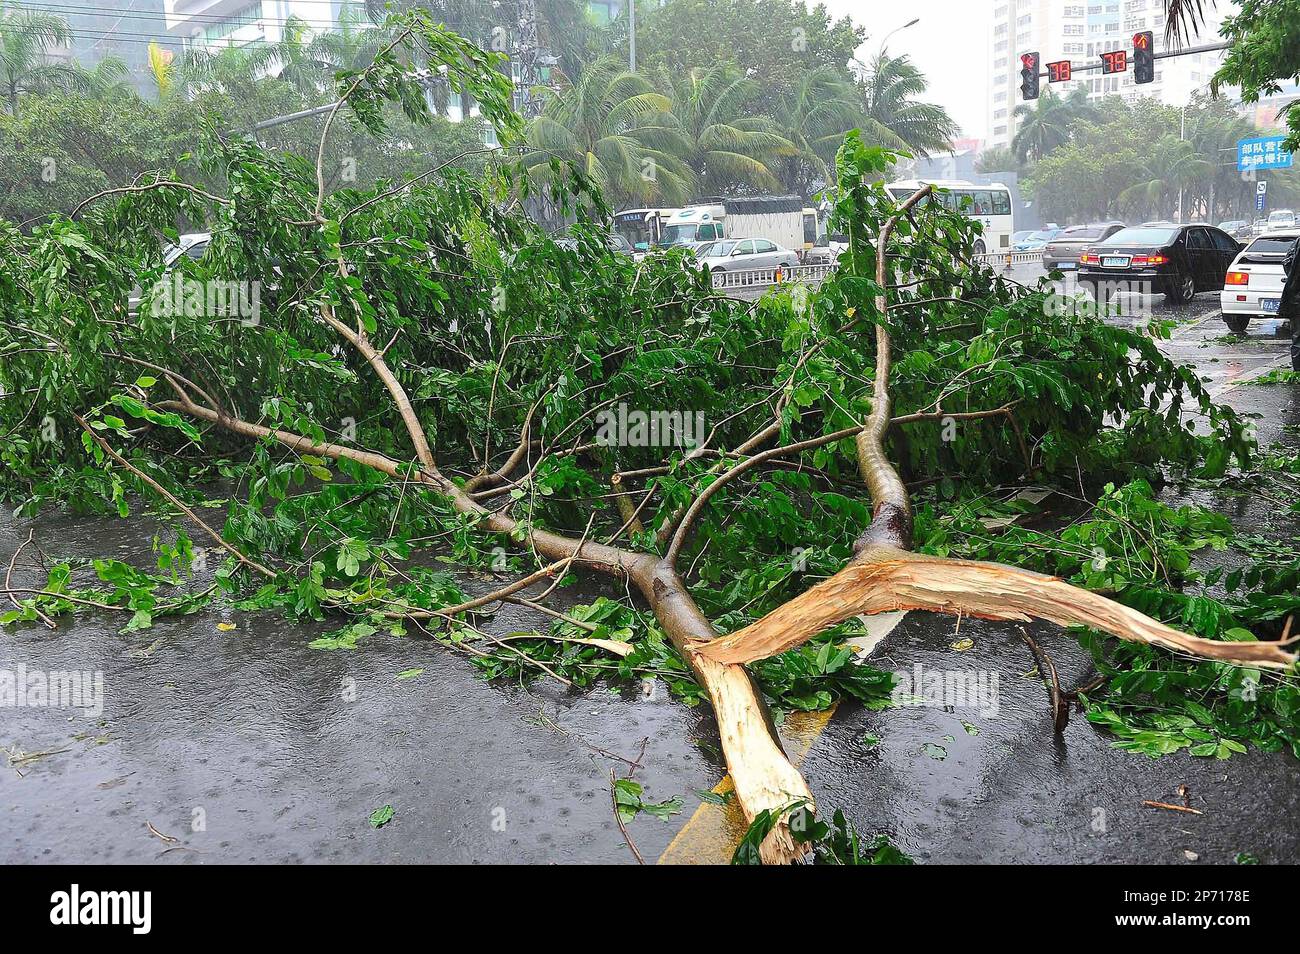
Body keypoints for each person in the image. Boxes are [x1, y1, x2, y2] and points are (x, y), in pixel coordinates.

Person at [1285, 236, 1300, 371]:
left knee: (1298, 337)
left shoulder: (1297, 243)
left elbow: (1287, 263)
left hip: (1296, 298)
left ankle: (1298, 370)